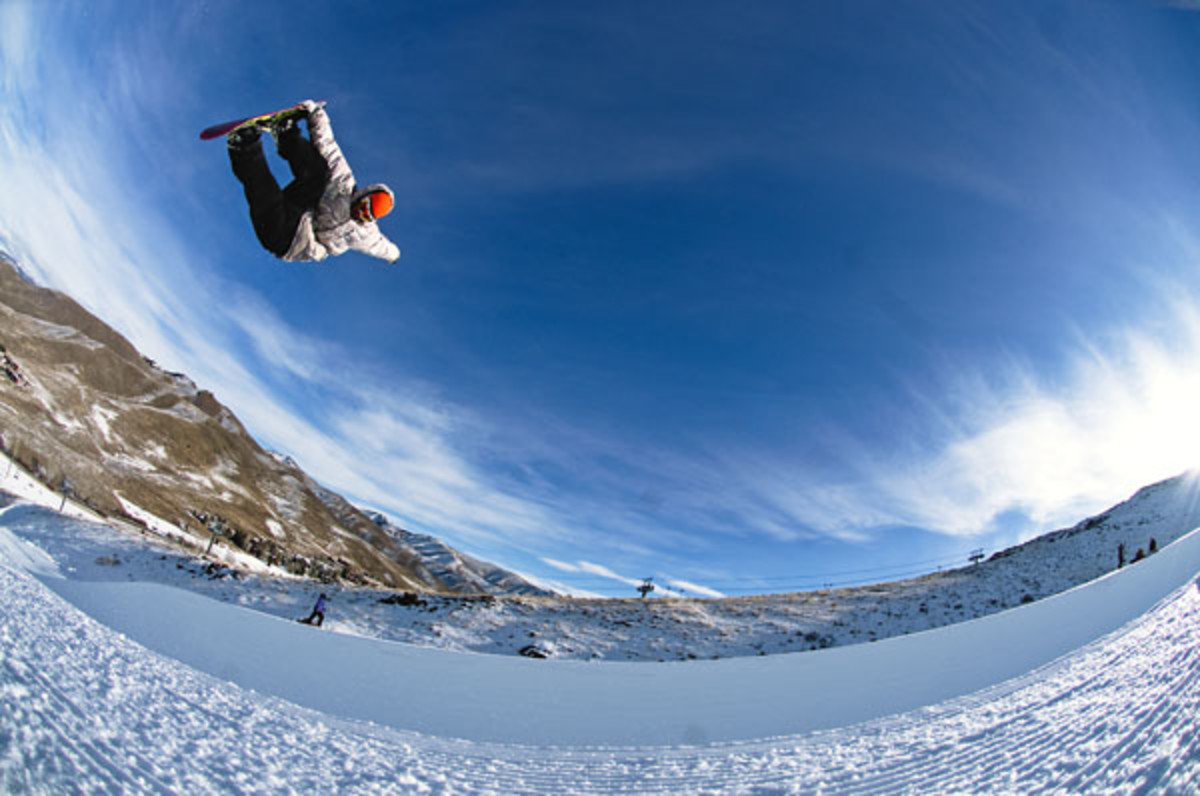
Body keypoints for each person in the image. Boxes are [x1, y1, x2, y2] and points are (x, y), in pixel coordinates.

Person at [226, 99, 400, 264]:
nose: (360, 214)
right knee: (320, 174)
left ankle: (243, 145)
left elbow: (383, 247)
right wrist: (316, 114)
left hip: (290, 241)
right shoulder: (344, 186)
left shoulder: (365, 234)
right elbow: (329, 149)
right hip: (301, 212)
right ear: (363, 195)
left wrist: (394, 255)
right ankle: (285, 132)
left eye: (366, 216)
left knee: (265, 192)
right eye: (363, 207)